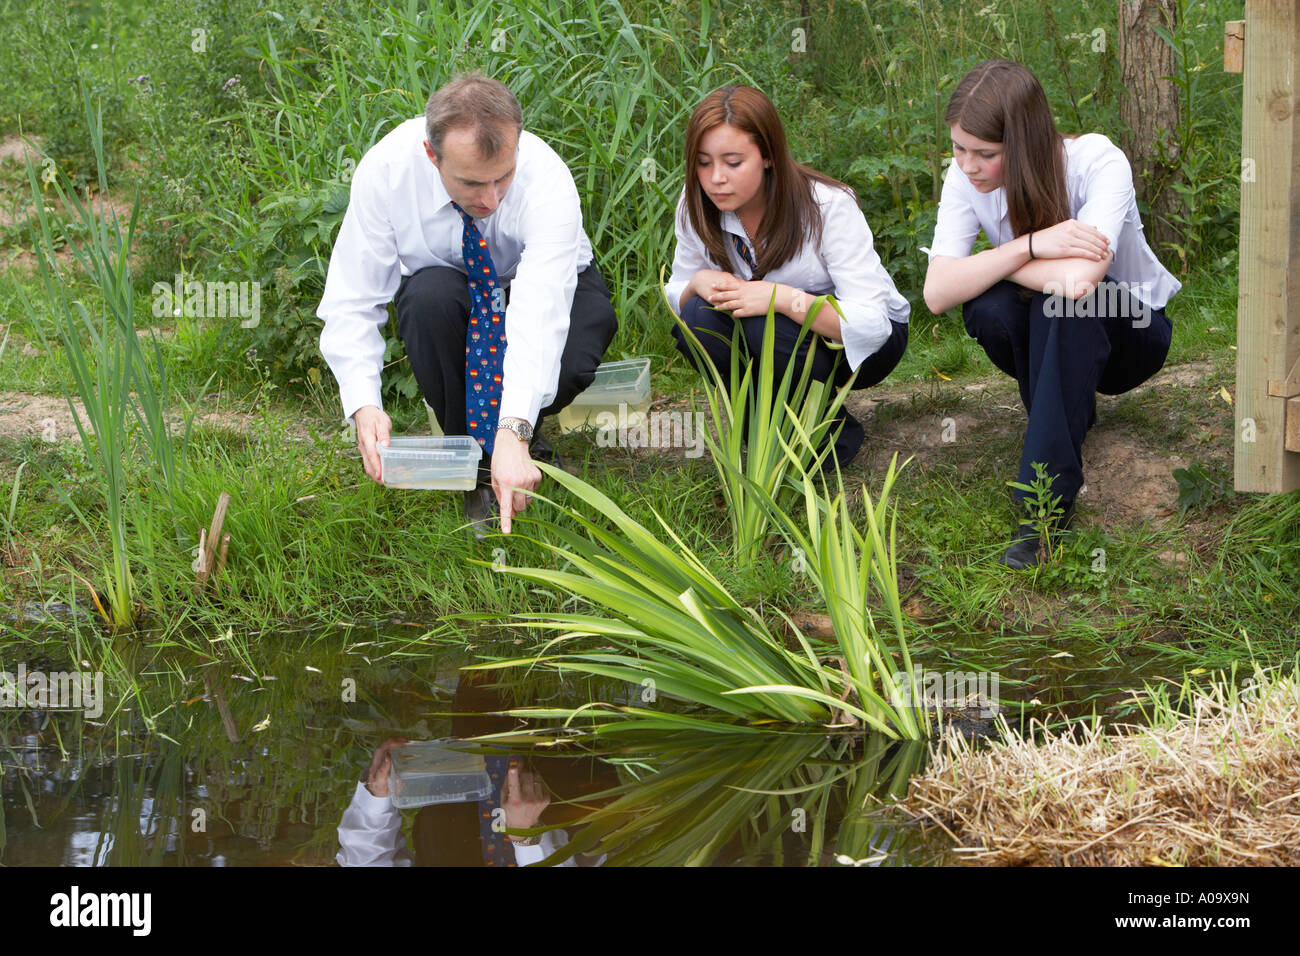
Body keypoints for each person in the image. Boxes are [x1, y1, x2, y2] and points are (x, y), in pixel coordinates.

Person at [318, 72, 618, 535]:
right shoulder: (386, 172)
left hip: (545, 286)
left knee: (567, 363)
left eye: (504, 177)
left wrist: (514, 427)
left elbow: (540, 311)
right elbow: (353, 297)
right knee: (426, 300)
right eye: (472, 183)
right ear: (431, 155)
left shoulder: (547, 179)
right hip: (452, 291)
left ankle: (517, 440)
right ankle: (478, 468)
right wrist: (364, 403)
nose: (492, 198)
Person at [923, 59, 1178, 569]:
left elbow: (1081, 282)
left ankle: (1042, 510)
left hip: (1132, 331)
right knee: (989, 307)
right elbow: (937, 292)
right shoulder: (965, 177)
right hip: (1052, 318)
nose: (967, 165)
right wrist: (1032, 246)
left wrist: (992, 263)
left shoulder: (1098, 163)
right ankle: (1063, 417)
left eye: (985, 154)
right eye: (957, 148)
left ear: (1022, 144)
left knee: (1061, 300)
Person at [664, 85, 910, 467]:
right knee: (697, 318)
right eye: (703, 162)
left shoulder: (828, 205)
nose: (715, 179)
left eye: (732, 162)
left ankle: (827, 440)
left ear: (767, 156)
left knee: (767, 324)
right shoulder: (694, 204)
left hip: (862, 348)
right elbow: (679, 288)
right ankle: (762, 435)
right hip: (773, 334)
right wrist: (696, 283)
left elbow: (873, 324)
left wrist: (782, 298)